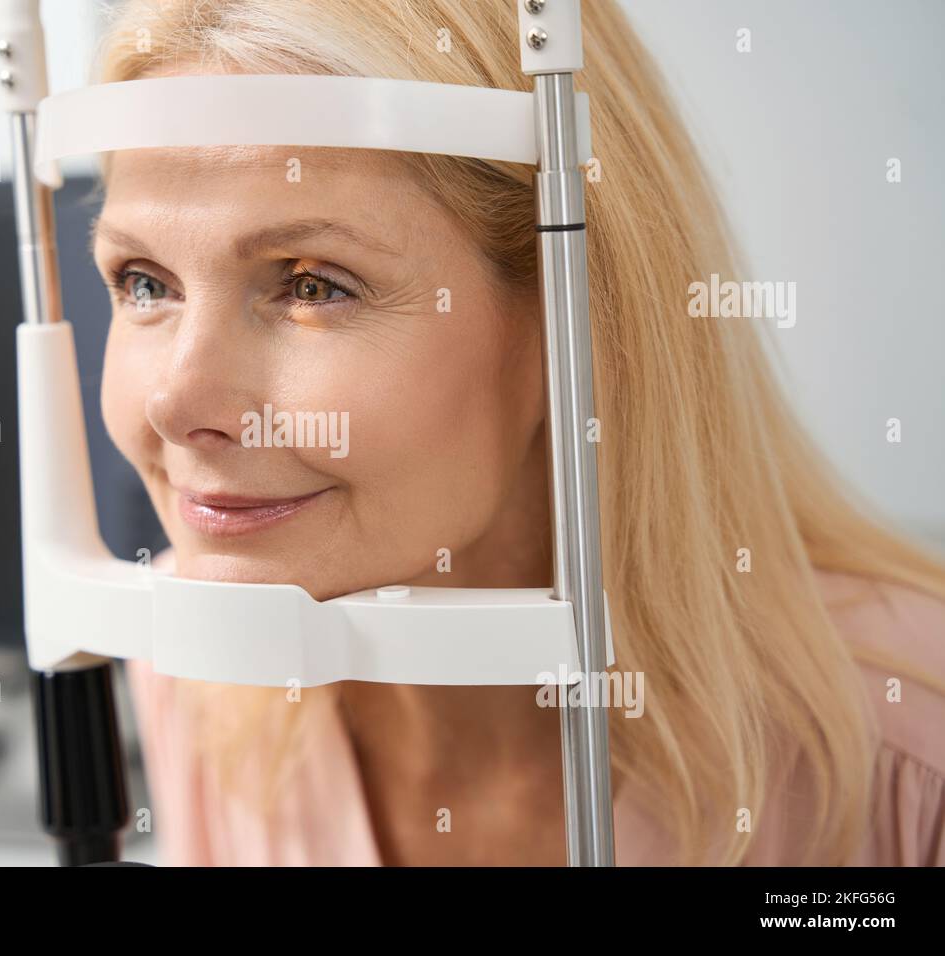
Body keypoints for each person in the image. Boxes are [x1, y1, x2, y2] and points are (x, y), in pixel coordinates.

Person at [85, 0, 945, 865]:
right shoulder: (191, 668)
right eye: (145, 283)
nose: (174, 401)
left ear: (574, 317)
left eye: (312, 286)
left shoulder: (907, 753)